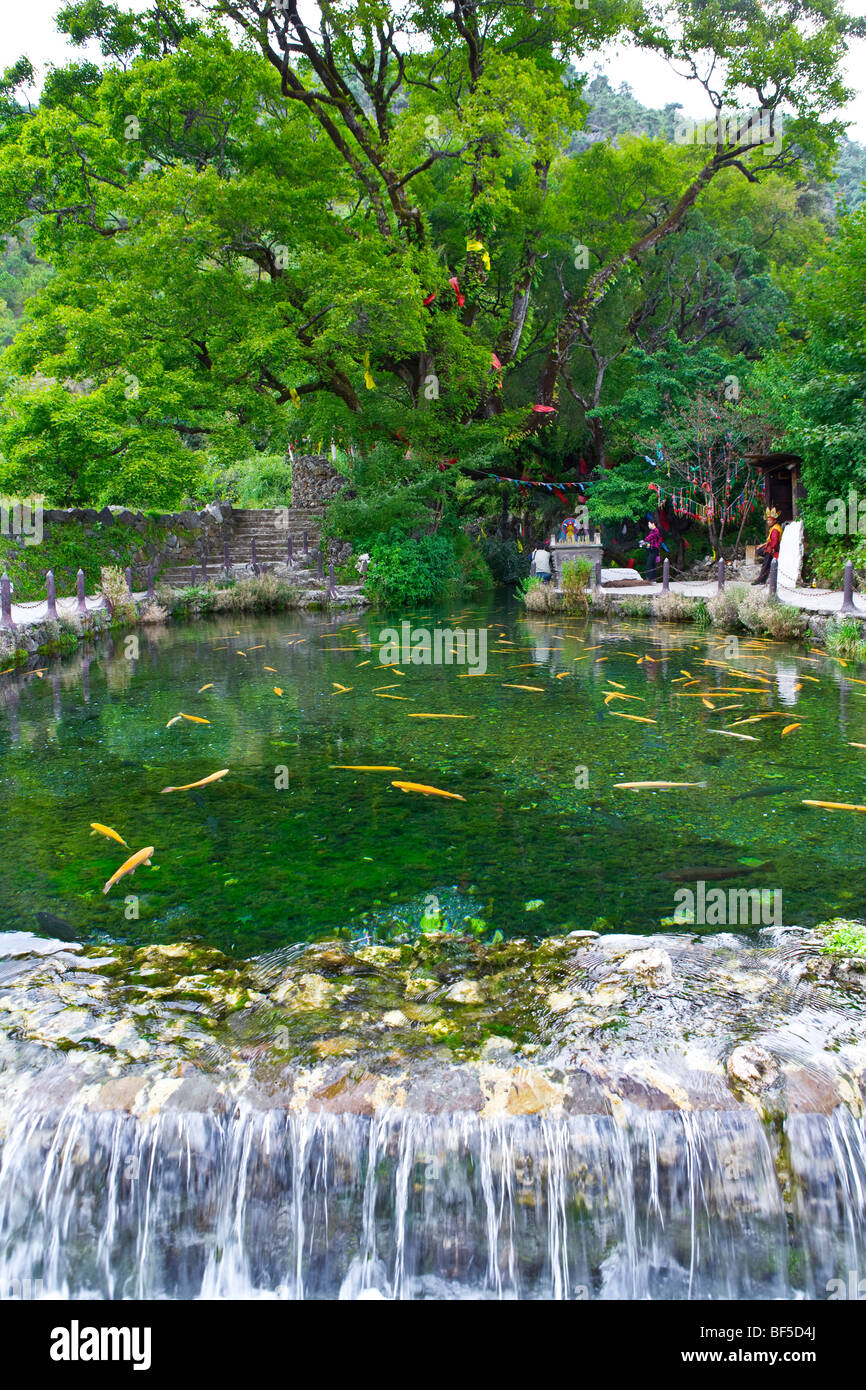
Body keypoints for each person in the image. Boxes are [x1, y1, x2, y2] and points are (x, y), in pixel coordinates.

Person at [753, 507, 783, 585]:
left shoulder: (775, 529)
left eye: (770, 520)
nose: (768, 522)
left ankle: (761, 579)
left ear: (774, 521)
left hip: (772, 550)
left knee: (766, 564)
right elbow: (770, 540)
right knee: (760, 552)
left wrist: (771, 549)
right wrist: (763, 545)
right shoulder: (774, 528)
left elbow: (774, 542)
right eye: (767, 520)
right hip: (770, 548)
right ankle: (762, 579)